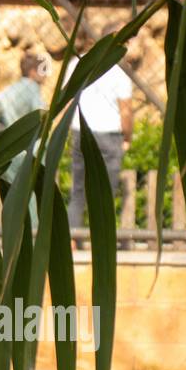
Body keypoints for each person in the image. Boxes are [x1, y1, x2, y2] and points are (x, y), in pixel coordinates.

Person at [65, 53, 133, 235]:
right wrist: (127, 138)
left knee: (78, 190)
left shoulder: (77, 62)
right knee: (105, 194)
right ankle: (102, 241)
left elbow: (67, 99)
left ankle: (71, 240)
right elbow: (125, 111)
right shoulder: (120, 68)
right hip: (109, 134)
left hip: (80, 130)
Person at [0, 51, 45, 182]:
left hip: (9, 148)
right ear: (33, 72)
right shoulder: (32, 88)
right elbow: (42, 114)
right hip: (29, 149)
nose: (46, 76)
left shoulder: (12, 89)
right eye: (42, 71)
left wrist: (0, 125)